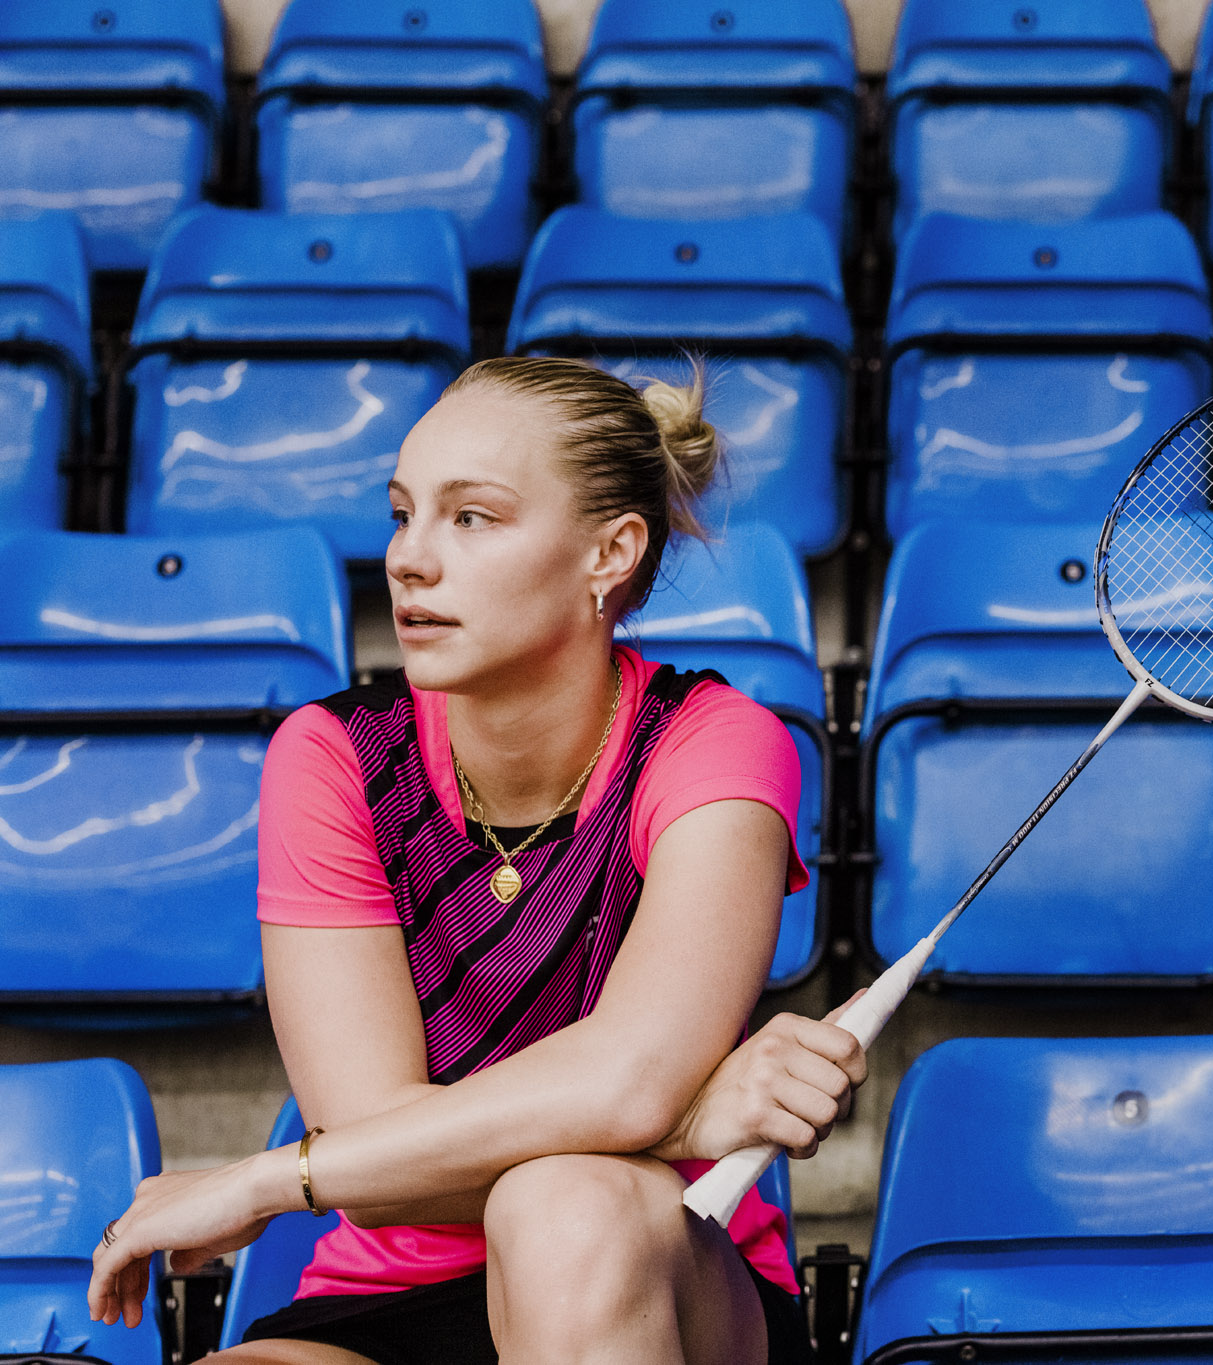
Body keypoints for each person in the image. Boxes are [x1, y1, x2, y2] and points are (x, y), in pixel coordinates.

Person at [86, 356, 862, 1365]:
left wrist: (265, 1179)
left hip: (651, 1265)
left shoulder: (713, 741)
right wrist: (680, 1117)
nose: (407, 559)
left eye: (472, 518)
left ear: (610, 553)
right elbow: (371, 1147)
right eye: (403, 514)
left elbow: (625, 1079)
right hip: (392, 1289)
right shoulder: (334, 757)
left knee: (561, 1200)